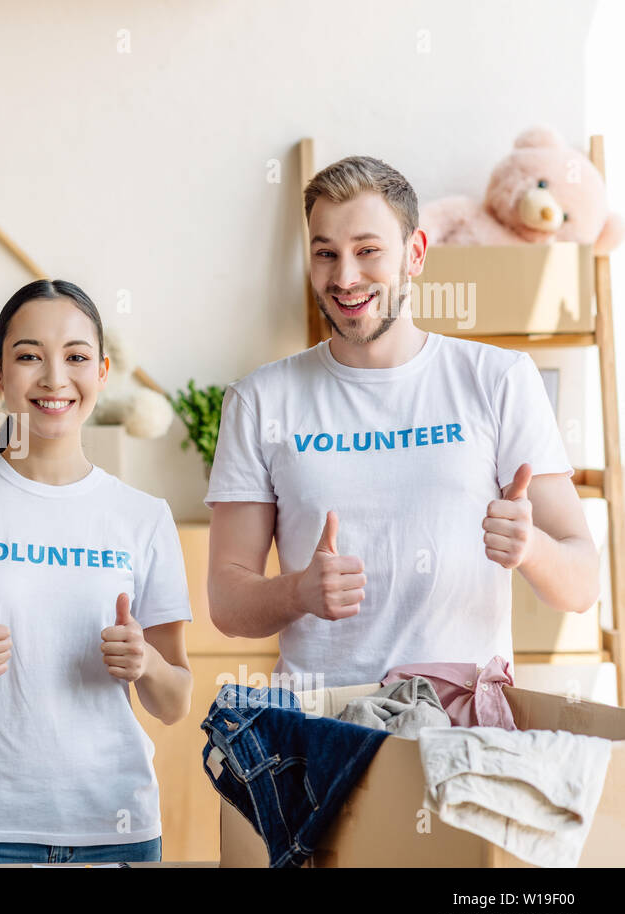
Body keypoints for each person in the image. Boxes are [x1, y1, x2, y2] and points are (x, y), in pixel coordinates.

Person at [206, 155, 598, 689]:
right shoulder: (260, 400)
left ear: (414, 254)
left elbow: (581, 585)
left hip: (461, 731)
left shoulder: (498, 378)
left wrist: (532, 548)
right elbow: (228, 603)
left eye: (368, 251)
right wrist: (298, 592)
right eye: (327, 254)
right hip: (325, 737)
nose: (345, 278)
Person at [0, 279, 193, 866]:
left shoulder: (143, 517)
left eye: (76, 357)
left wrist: (147, 663)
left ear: (102, 372)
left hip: (117, 829)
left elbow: (175, 700)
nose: (55, 378)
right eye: (30, 356)